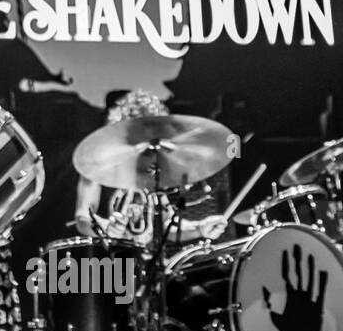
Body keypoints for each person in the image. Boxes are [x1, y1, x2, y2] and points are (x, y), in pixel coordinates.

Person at [73, 89, 229, 245]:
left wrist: (200, 228)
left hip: (149, 264)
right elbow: (82, 218)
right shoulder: (98, 163)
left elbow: (167, 226)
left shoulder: (153, 168)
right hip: (107, 266)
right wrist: (105, 228)